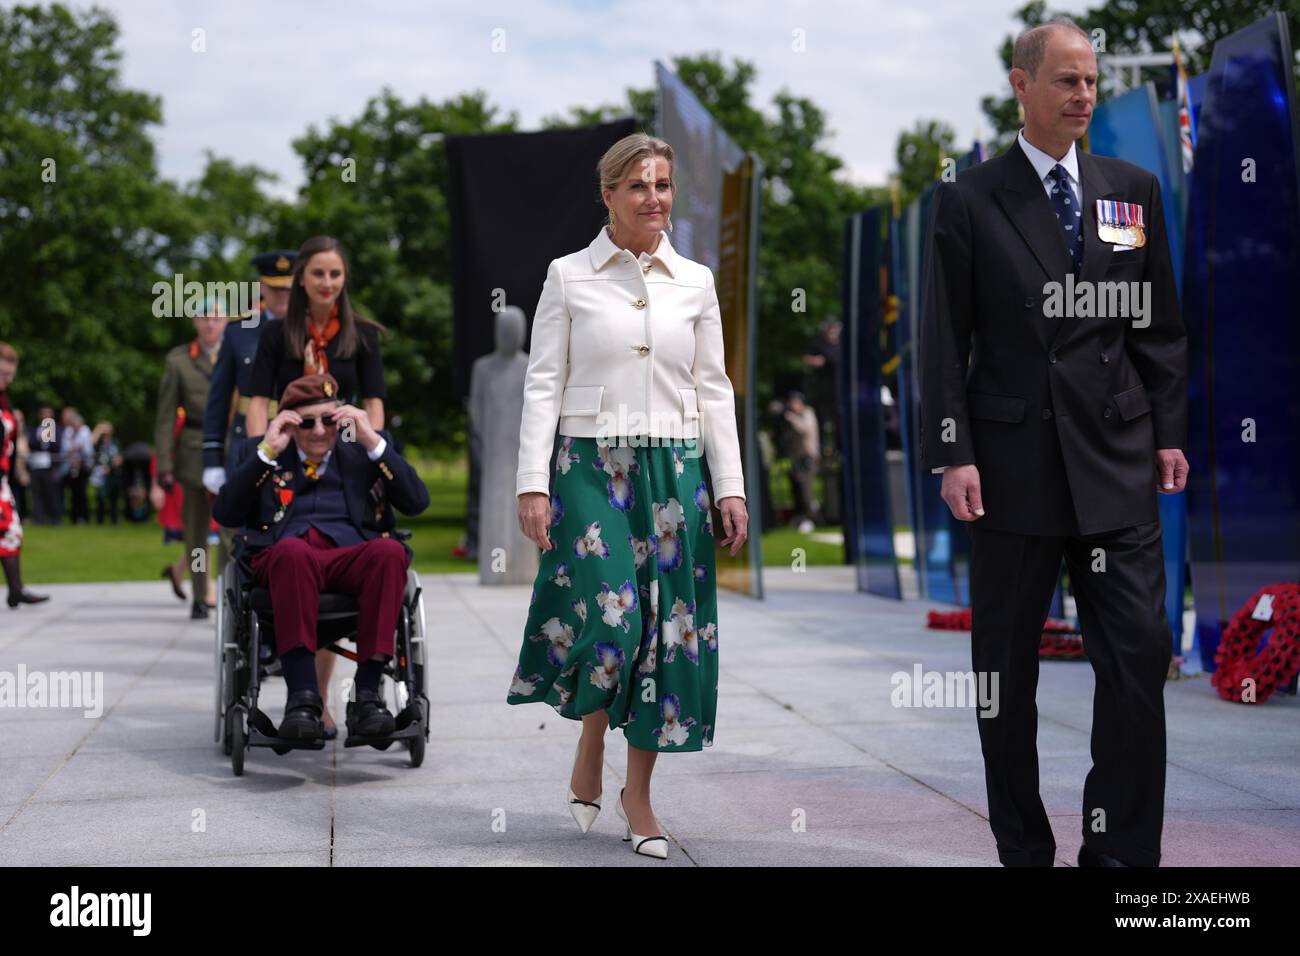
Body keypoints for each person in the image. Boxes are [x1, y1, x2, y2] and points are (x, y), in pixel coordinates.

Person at [919, 20, 1188, 867]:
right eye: (1066, 81)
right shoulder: (967, 198)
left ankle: (1118, 855)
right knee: (1005, 678)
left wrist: (1168, 434)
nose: (1083, 95)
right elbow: (942, 340)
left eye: (1090, 81)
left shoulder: (1130, 190)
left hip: (1115, 464)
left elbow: (1159, 326)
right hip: (1011, 474)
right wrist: (953, 451)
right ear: (1021, 84)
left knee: (1140, 659)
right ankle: (1025, 849)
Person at [507, 133, 749, 859]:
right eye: (639, 186)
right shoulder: (567, 275)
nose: (655, 199)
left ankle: (636, 795)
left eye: (664, 185)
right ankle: (589, 743)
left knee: (666, 637)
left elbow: (715, 390)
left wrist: (729, 486)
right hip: (589, 468)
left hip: (677, 474)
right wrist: (532, 483)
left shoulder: (696, 281)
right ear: (608, 194)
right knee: (612, 624)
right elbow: (542, 383)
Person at [212, 372, 429, 741]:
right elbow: (227, 514)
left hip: (350, 558)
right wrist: (268, 452)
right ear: (288, 422)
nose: (318, 430)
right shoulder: (260, 451)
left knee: (389, 551)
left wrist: (372, 440)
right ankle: (303, 700)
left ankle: (366, 697)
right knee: (293, 552)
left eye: (328, 419)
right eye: (306, 421)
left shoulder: (365, 448)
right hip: (286, 562)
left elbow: (416, 502)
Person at [244, 236, 387, 738]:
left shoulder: (362, 336)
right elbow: (257, 400)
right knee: (297, 553)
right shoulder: (274, 336)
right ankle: (312, 702)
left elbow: (374, 403)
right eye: (319, 274)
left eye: (336, 275)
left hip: (344, 456)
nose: (328, 283)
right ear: (301, 278)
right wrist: (264, 451)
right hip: (288, 449)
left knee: (343, 544)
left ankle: (325, 701)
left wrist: (368, 449)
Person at [202, 249, 295, 571]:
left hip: (302, 440)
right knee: (241, 528)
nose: (283, 295)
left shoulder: (315, 329)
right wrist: (212, 459)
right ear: (261, 287)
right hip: (250, 438)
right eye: (275, 287)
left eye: (289, 287)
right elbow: (218, 398)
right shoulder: (239, 331)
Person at [155, 299, 225, 619]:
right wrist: (165, 466)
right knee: (196, 535)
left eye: (216, 318)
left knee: (231, 533)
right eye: (204, 318)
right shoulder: (179, 361)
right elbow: (166, 417)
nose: (210, 324)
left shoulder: (237, 353)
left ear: (225, 322)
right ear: (195, 322)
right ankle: (200, 593)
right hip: (193, 452)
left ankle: (228, 592)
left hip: (229, 449)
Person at [0, 342, 50, 607]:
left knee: (10, 532)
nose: (7, 377)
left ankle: (16, 590)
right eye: (2, 371)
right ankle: (16, 590)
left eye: (10, 372)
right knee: (8, 530)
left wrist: (17, 469)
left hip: (2, 479)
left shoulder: (5, 402)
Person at [26, 403, 62, 525]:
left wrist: (46, 438)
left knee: (51, 494)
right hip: (36, 465)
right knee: (37, 494)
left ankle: (55, 519)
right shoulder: (35, 429)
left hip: (50, 466)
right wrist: (41, 438)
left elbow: (56, 446)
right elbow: (31, 444)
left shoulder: (56, 430)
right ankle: (39, 519)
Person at [90, 421, 124, 524]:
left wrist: (110, 466)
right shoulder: (98, 444)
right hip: (100, 474)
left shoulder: (115, 442)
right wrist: (99, 429)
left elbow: (119, 457)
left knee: (114, 497)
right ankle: (100, 520)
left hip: (113, 473)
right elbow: (91, 442)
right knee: (100, 497)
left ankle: (114, 520)